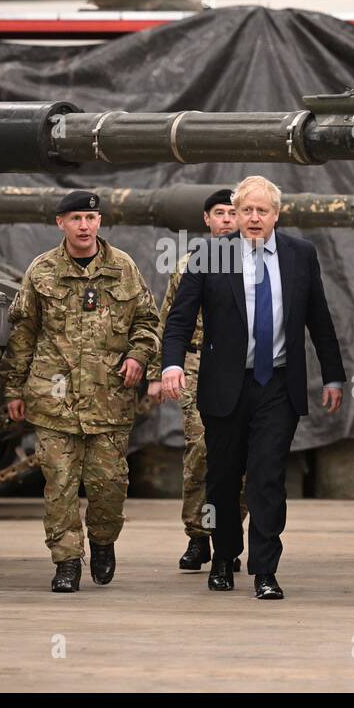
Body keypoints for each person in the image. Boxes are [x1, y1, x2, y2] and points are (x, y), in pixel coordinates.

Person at [161, 175, 345, 600]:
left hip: (277, 384)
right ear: (236, 215)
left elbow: (319, 318)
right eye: (247, 211)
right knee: (222, 479)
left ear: (277, 215)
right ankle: (224, 557)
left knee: (266, 477)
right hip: (225, 385)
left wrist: (333, 374)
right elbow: (179, 318)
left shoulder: (300, 255)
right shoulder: (211, 255)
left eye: (263, 211)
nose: (254, 218)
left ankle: (265, 570)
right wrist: (171, 365)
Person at [3, 190, 160, 593]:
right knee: (60, 484)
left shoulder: (123, 268)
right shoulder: (42, 272)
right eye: (75, 219)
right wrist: (13, 388)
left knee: (108, 485)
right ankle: (67, 561)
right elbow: (23, 332)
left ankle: (103, 540)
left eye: (91, 218)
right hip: (53, 398)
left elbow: (147, 321)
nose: (84, 226)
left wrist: (139, 357)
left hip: (109, 397)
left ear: (100, 222)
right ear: (61, 223)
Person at [146, 188, 247, 571]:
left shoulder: (255, 262)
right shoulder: (189, 262)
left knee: (241, 455)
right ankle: (198, 536)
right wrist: (161, 370)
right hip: (194, 362)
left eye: (231, 212)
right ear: (206, 220)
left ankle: (228, 537)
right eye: (218, 213)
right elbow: (169, 319)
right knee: (202, 447)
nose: (226, 219)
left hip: (238, 363)